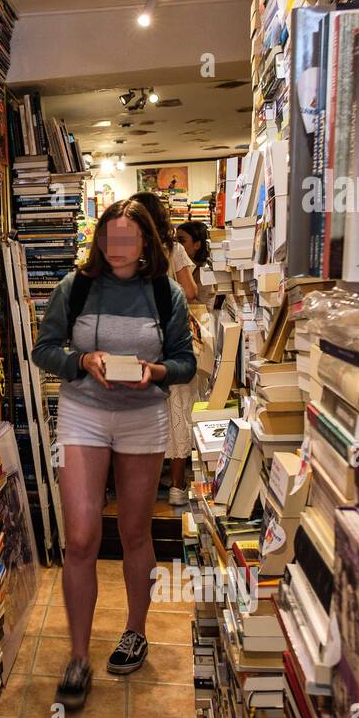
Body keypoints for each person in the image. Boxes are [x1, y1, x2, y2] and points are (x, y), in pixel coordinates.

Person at [31, 199, 196, 709]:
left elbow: (185, 362)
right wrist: (82, 359)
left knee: (133, 532)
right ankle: (78, 656)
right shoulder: (74, 288)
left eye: (128, 238)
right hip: (83, 412)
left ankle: (135, 630)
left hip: (142, 417)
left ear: (146, 243)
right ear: (99, 241)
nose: (117, 247)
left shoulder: (165, 293)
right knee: (80, 535)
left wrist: (158, 371)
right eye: (109, 238)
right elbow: (44, 349)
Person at [131, 192, 199, 506]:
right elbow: (190, 290)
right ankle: (176, 486)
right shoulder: (173, 250)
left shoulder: (130, 251)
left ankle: (143, 486)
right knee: (178, 411)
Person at [177, 220, 215, 310]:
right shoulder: (185, 265)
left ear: (197, 244)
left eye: (182, 241)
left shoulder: (206, 269)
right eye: (175, 241)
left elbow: (203, 306)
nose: (177, 245)